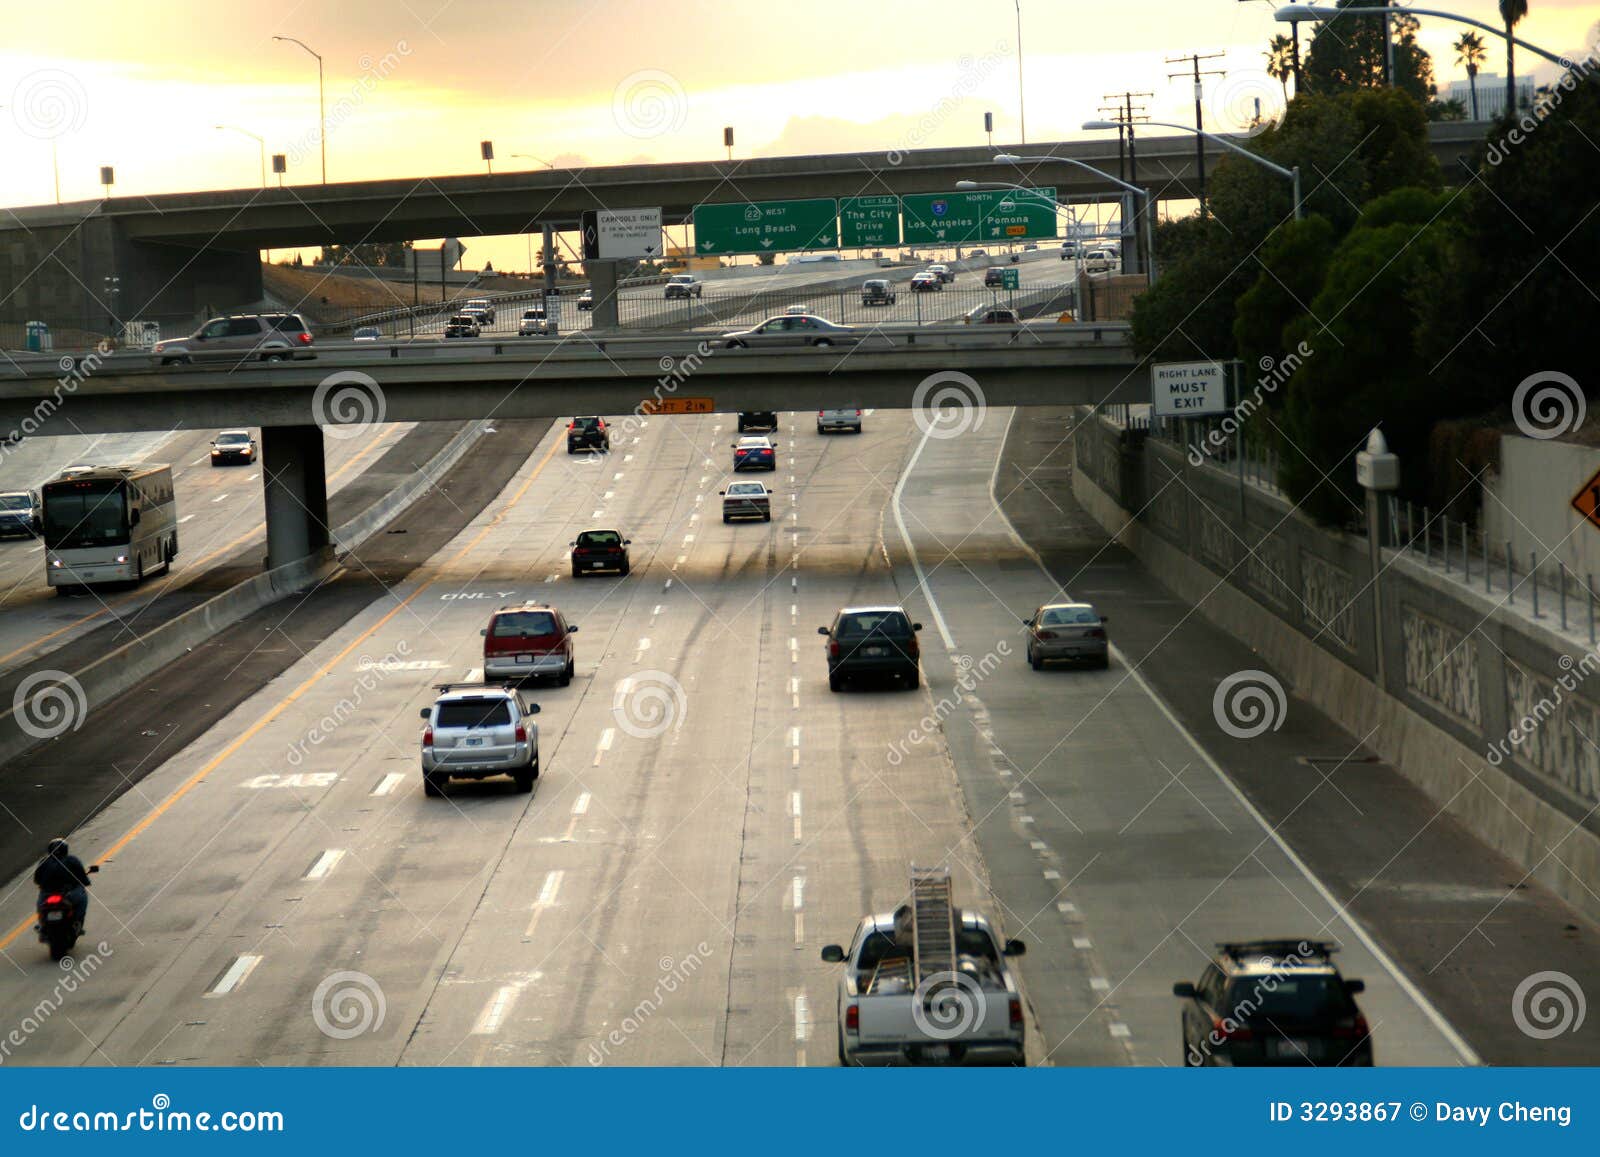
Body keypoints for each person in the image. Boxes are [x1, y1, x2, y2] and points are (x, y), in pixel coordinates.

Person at [34, 838, 91, 930]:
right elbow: (82, 876)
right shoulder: (72, 860)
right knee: (82, 899)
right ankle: (77, 921)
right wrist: (86, 882)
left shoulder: (44, 862)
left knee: (40, 905)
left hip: (47, 894)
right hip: (69, 893)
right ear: (65, 849)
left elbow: (37, 880)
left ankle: (41, 923)